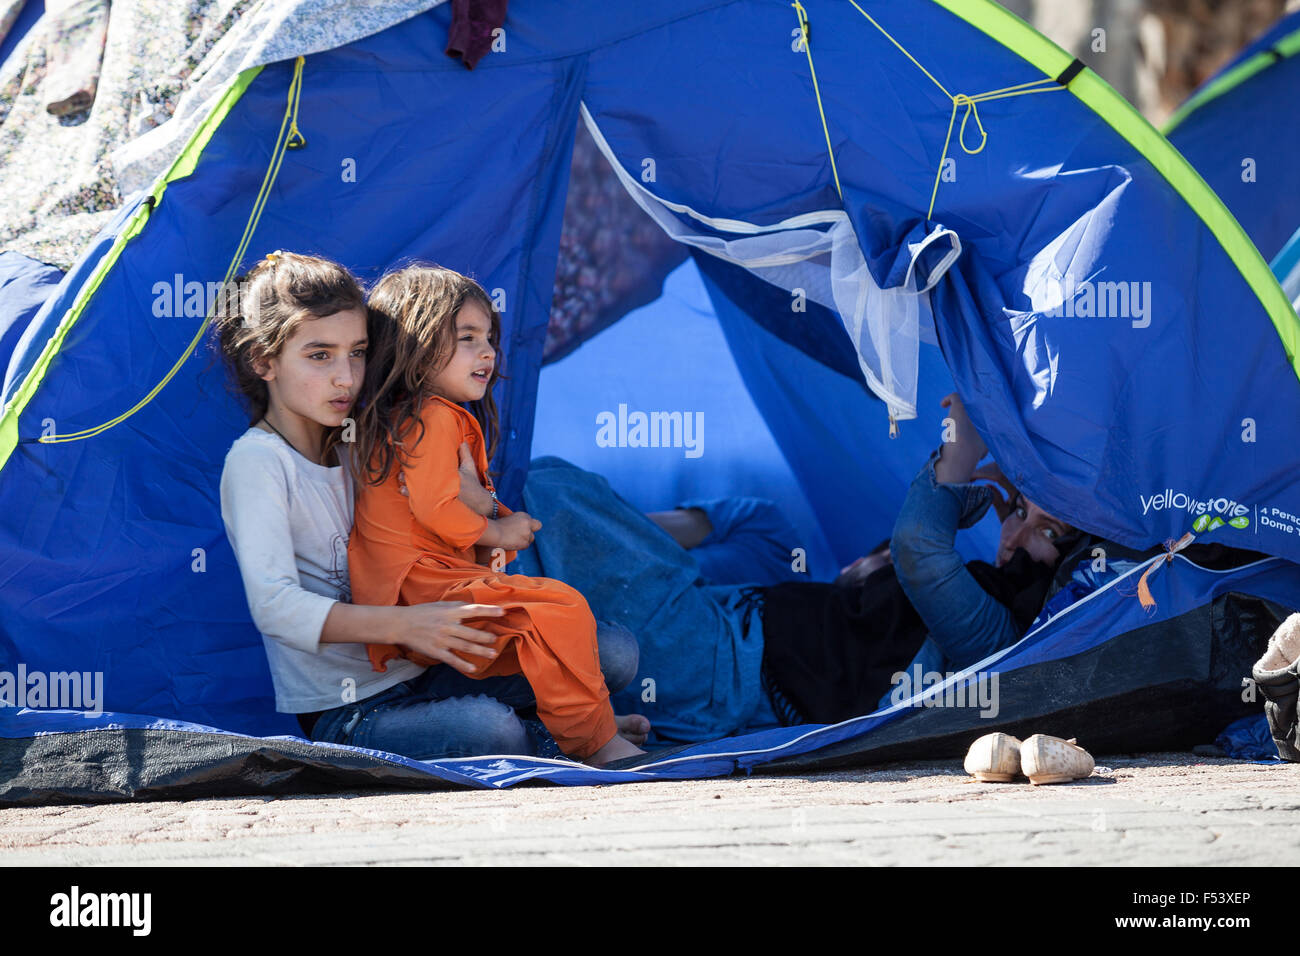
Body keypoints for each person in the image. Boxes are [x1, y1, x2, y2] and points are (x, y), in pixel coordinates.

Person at [215, 251, 639, 760]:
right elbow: (275, 607)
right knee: (490, 730)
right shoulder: (258, 462)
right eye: (320, 355)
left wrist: (483, 509)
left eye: (358, 352)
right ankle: (561, 736)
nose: (347, 377)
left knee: (611, 650)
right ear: (264, 361)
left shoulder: (370, 441)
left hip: (434, 667)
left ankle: (574, 726)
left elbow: (445, 537)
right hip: (354, 706)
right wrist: (405, 625)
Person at [347, 263, 648, 767]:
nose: (487, 352)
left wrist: (494, 518)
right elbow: (437, 509)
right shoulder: (432, 417)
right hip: (425, 590)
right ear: (415, 347)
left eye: (488, 337)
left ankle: (580, 719)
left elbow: (444, 499)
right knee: (560, 609)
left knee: (548, 629)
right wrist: (498, 528)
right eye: (467, 338)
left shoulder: (426, 417)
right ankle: (593, 741)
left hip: (431, 589)